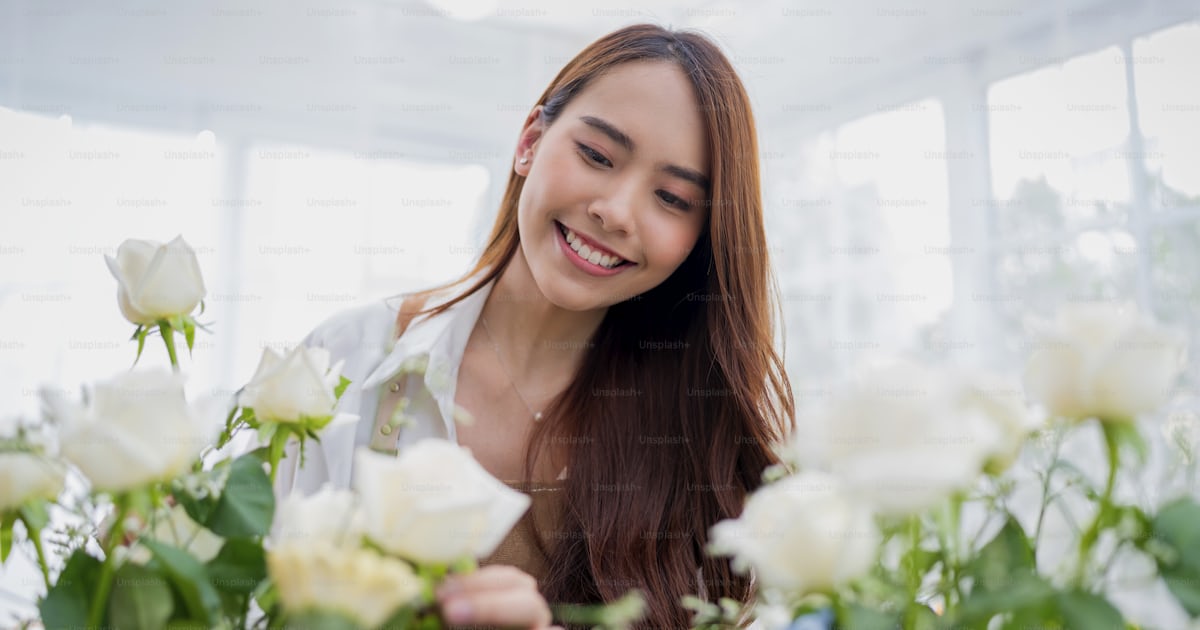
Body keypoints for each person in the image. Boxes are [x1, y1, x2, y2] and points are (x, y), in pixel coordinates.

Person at [275, 23, 794, 629]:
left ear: (700, 240)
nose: (615, 211)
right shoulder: (344, 359)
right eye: (597, 156)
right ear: (530, 141)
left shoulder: (700, 438)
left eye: (673, 199)